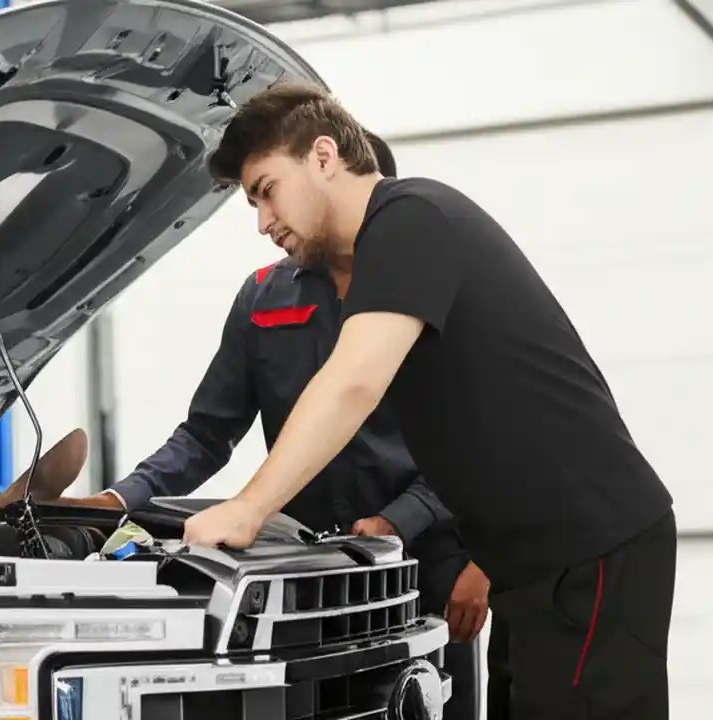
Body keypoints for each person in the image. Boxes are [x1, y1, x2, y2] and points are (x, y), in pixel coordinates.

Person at [179, 81, 676, 719]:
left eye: (267, 190)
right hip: (530, 563)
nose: (263, 222)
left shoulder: (411, 218)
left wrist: (248, 508)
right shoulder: (382, 250)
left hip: (589, 546)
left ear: (323, 157)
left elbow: (353, 380)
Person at [0, 133, 495, 720]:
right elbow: (206, 435)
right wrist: (118, 499)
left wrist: (476, 561)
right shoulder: (261, 298)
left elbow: (480, 443)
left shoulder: (419, 290)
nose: (264, 221)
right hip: (306, 581)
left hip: (428, 570)